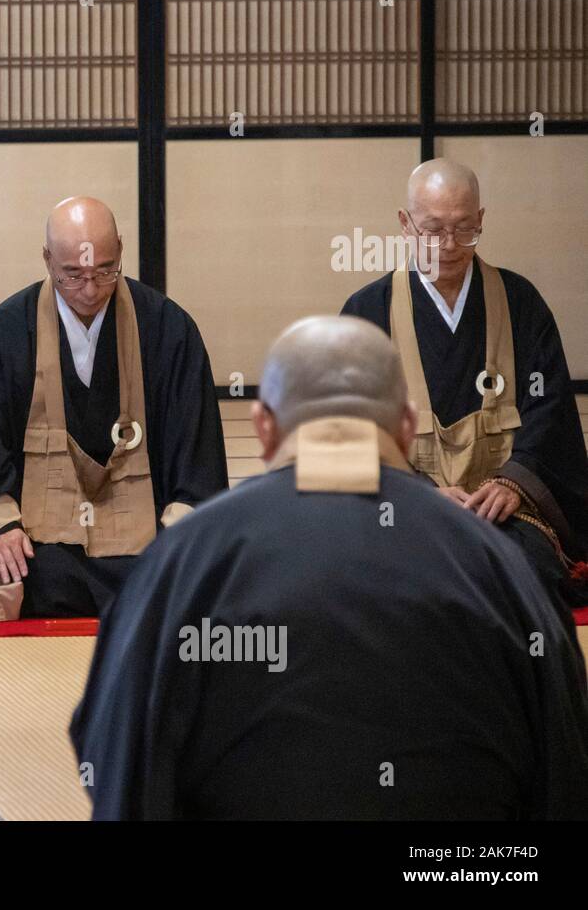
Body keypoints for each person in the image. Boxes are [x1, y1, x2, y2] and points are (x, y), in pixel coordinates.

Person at [71, 315, 588, 819]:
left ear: (264, 428)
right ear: (406, 429)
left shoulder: (185, 561)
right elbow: (565, 774)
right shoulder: (498, 567)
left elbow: (115, 764)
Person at [0, 196, 226, 620]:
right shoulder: (0, 336)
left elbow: (196, 453)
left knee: (170, 572)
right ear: (47, 260)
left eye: (105, 270)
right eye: (73, 274)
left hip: (140, 540)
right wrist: (0, 527)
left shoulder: (169, 331)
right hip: (41, 544)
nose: (90, 289)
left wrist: (177, 543)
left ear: (121, 249)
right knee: (20, 572)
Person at [343, 158, 588, 606]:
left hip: (507, 512)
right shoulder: (367, 313)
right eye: (433, 230)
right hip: (406, 508)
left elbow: (550, 414)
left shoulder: (521, 304)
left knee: (526, 572)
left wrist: (514, 483)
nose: (450, 245)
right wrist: (421, 493)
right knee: (391, 581)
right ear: (405, 224)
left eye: (464, 229)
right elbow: (350, 431)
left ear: (481, 220)